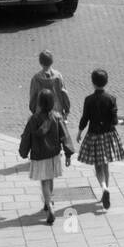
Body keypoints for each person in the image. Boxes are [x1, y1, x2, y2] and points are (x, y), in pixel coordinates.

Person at [20, 88, 76, 225]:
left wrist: (23, 151)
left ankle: (49, 204)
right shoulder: (57, 117)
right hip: (53, 154)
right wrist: (68, 154)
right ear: (52, 103)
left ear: (39, 103)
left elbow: (27, 137)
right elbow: (65, 136)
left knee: (44, 180)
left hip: (39, 154)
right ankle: (48, 200)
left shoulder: (33, 119)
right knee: (50, 178)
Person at [77, 68, 124, 210]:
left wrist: (79, 132)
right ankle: (107, 188)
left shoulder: (88, 100)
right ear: (106, 82)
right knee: (106, 165)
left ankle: (104, 188)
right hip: (108, 135)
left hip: (94, 136)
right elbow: (114, 121)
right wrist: (123, 122)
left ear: (93, 83)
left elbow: (84, 119)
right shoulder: (111, 99)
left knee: (98, 165)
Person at [29, 50, 71, 116]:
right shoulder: (58, 76)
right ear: (51, 61)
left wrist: (34, 110)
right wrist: (67, 109)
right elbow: (64, 93)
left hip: (40, 112)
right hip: (57, 111)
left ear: (40, 62)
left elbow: (33, 96)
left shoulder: (36, 78)